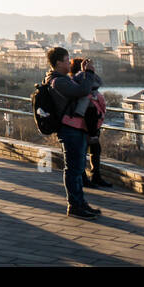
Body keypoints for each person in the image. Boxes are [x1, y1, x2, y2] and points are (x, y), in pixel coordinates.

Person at [47, 46, 104, 219]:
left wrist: (85, 73)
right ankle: (74, 205)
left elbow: (89, 86)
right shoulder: (57, 81)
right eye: (66, 60)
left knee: (78, 168)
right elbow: (83, 90)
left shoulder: (64, 79)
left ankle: (80, 203)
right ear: (58, 62)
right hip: (69, 130)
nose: (68, 63)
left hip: (76, 129)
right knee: (73, 169)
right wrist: (87, 73)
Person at [71, 56, 112, 188]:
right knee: (83, 150)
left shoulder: (88, 85)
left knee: (94, 149)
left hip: (93, 124)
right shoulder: (79, 84)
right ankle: (86, 178)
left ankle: (95, 176)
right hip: (84, 124)